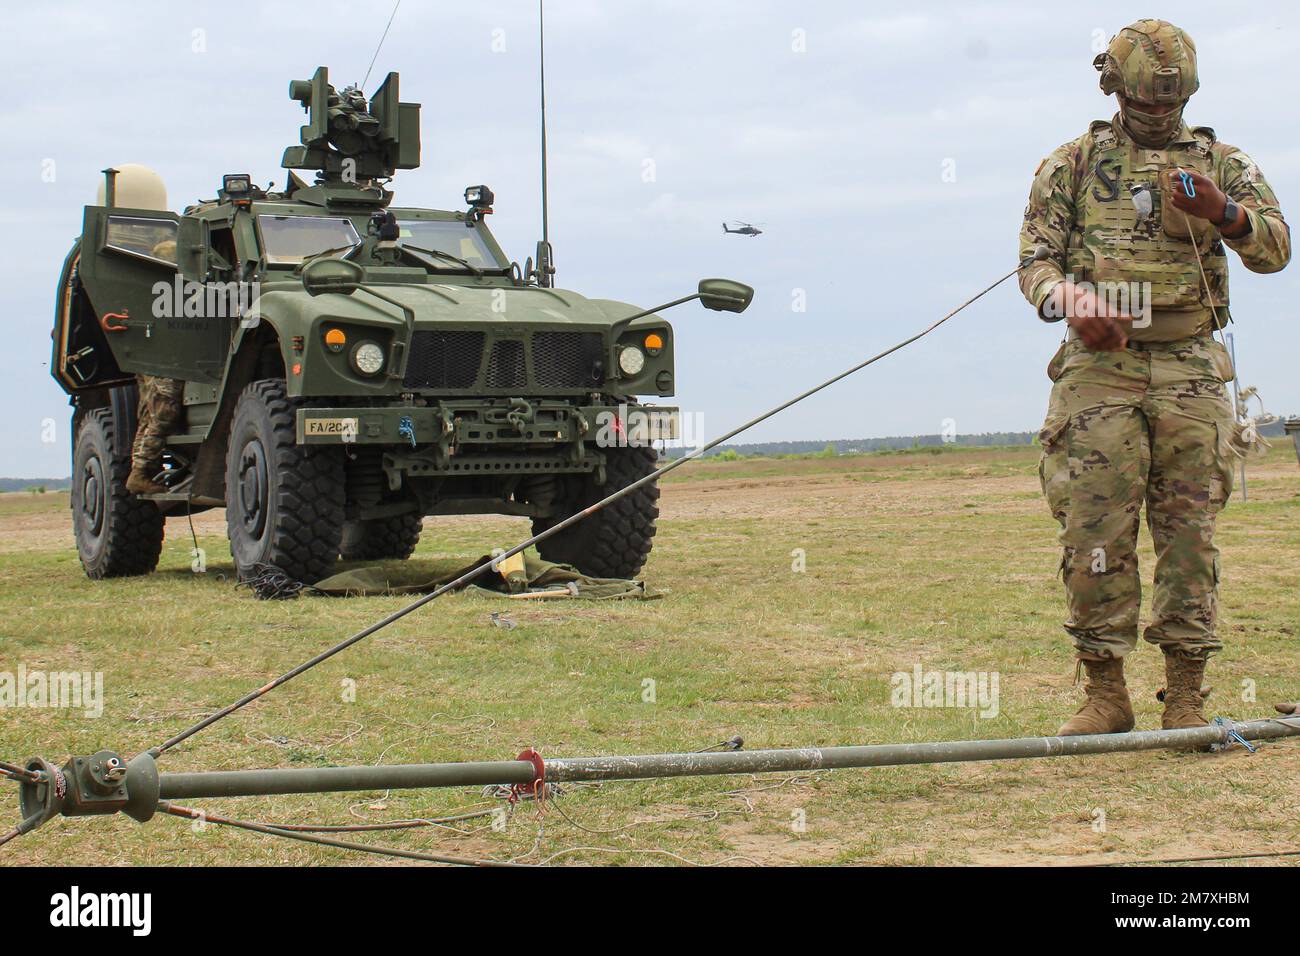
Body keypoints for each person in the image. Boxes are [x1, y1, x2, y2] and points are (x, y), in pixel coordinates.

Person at [1018, 19, 1290, 735]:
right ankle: (1106, 696)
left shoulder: (1221, 162)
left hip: (1190, 365)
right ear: (1115, 90)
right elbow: (1035, 263)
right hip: (1098, 370)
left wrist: (1223, 212)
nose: (1159, 114)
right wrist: (1070, 301)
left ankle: (1187, 695)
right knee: (1094, 532)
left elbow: (1275, 251)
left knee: (1188, 535)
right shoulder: (1072, 164)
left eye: (1173, 103)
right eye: (1145, 102)